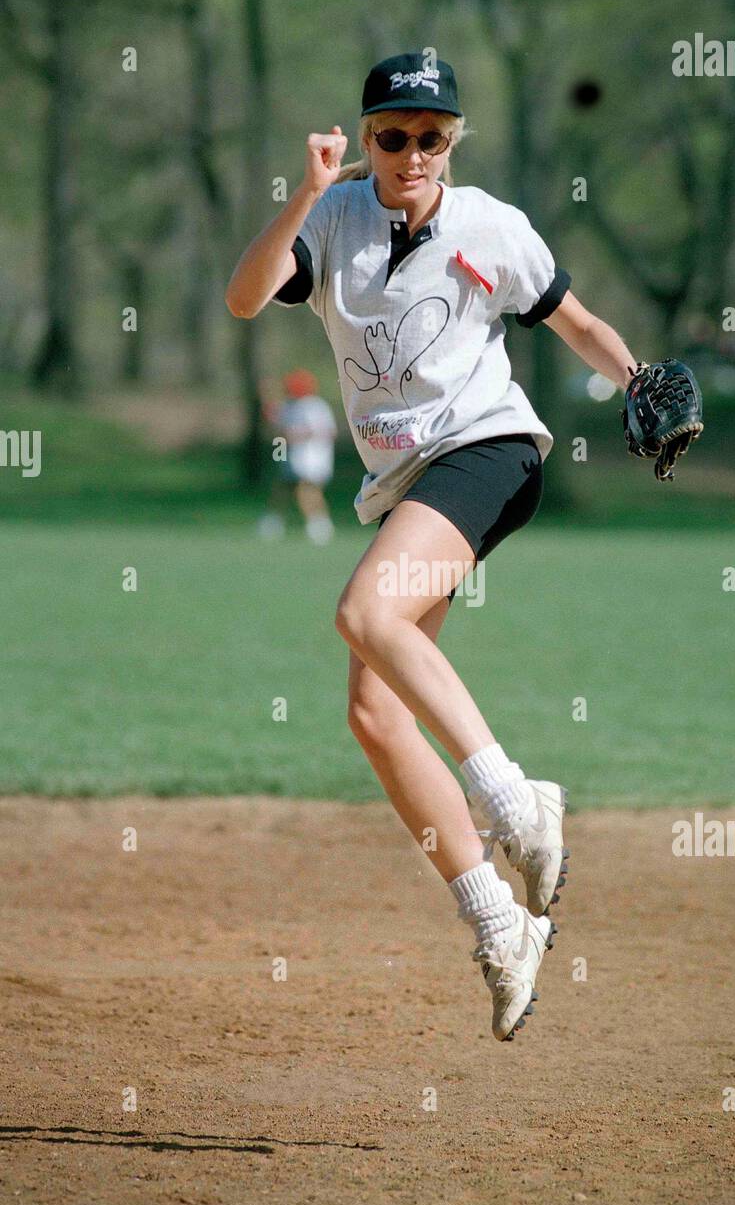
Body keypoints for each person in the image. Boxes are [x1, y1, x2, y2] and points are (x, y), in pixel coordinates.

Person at [226, 51, 642, 1042]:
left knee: (365, 613)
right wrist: (307, 192)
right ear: (364, 137)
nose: (413, 151)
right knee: (375, 709)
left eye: (432, 135)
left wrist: (641, 381)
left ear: (454, 140)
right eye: (393, 134)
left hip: (489, 451)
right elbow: (245, 298)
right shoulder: (332, 221)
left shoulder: (490, 225)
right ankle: (500, 923)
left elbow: (575, 322)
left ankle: (517, 798)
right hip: (406, 483)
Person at [258, 368, 337, 545]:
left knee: (307, 490)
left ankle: (319, 526)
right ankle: (272, 523)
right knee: (282, 489)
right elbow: (278, 433)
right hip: (291, 458)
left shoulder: (315, 406)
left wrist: (296, 436)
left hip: (313, 458)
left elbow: (326, 431)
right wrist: (278, 455)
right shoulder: (288, 406)